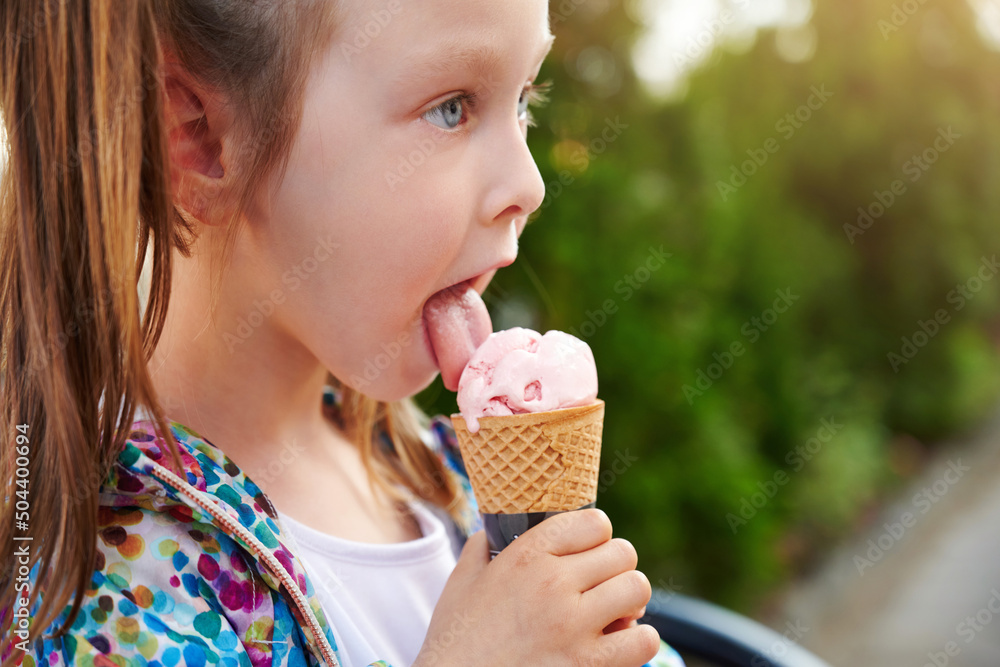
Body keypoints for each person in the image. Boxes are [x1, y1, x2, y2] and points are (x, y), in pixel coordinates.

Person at [0, 1, 685, 666]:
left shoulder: (433, 470)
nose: (529, 184)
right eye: (451, 108)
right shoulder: (111, 599)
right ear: (197, 134)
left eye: (524, 98)